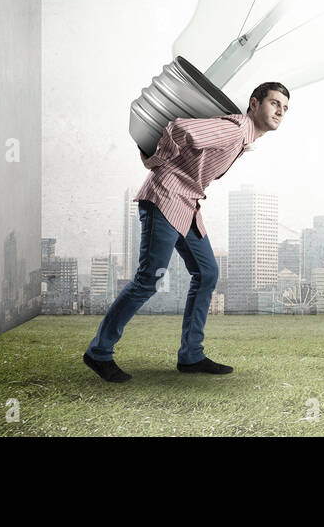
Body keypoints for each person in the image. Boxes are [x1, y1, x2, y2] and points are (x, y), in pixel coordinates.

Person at [83, 81, 290, 383]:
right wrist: (155, 162)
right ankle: (99, 352)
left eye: (284, 108)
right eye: (274, 103)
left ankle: (191, 355)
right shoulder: (235, 129)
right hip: (165, 197)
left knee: (207, 274)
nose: (280, 111)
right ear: (255, 103)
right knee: (148, 279)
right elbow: (180, 129)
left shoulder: (244, 139)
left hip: (186, 205)